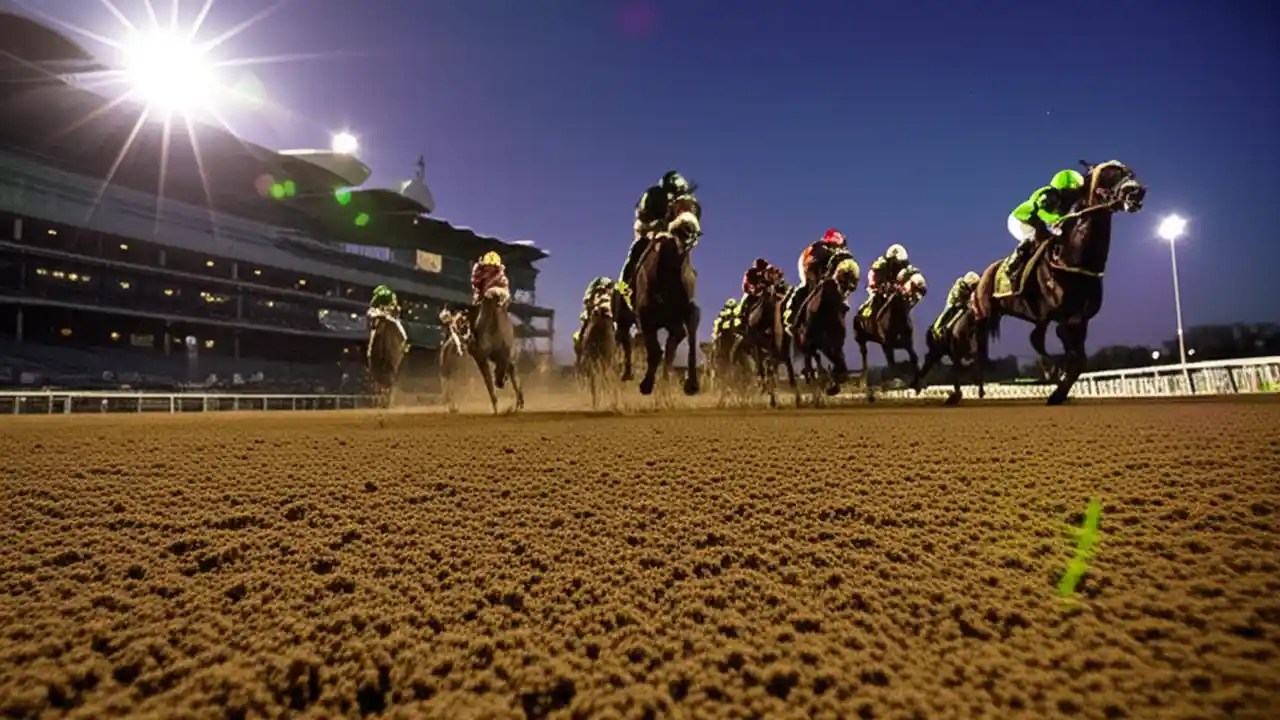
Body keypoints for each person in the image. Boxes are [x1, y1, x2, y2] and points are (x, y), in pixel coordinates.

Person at [616, 171, 696, 305]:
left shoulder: (685, 201)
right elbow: (641, 214)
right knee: (639, 247)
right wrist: (654, 224)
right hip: (648, 229)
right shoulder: (653, 195)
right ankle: (624, 285)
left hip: (671, 232)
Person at [1005, 169, 1087, 285]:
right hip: (1020, 219)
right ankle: (1013, 265)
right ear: (1062, 189)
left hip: (1036, 222)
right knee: (1032, 237)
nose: (1073, 197)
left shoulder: (1064, 204)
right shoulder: (1048, 194)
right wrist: (1056, 221)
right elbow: (1042, 212)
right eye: (1071, 192)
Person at [782, 228, 853, 333]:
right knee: (803, 291)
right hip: (815, 276)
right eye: (836, 239)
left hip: (834, 280)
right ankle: (794, 318)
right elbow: (809, 261)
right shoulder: (818, 247)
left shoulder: (844, 254)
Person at [575, 276, 615, 342]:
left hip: (609, 316)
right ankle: (581, 339)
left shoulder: (611, 295)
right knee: (587, 321)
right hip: (596, 312)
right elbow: (588, 301)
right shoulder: (596, 294)